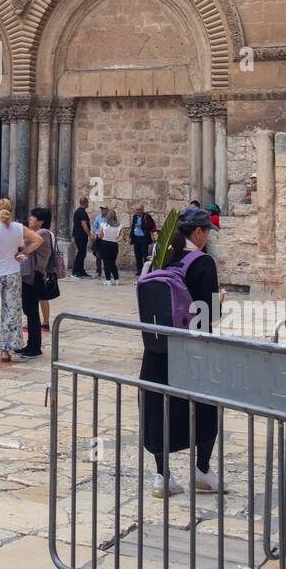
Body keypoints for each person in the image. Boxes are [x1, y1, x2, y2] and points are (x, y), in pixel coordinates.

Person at [137, 206, 221, 498]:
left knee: (158, 407)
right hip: (192, 348)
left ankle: (162, 476)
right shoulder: (203, 263)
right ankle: (202, 470)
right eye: (207, 231)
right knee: (206, 406)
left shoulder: (158, 257)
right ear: (198, 232)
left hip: (158, 347)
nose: (207, 237)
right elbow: (208, 313)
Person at [0, 198, 42, 363]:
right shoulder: (19, 228)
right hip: (12, 272)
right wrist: (24, 252)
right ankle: (6, 351)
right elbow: (38, 240)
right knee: (11, 312)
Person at [20, 206, 55, 359]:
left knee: (31, 311)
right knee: (30, 310)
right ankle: (31, 344)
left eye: (33, 218)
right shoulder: (40, 233)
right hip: (31, 277)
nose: (30, 220)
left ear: (41, 221)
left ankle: (34, 347)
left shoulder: (42, 234)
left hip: (34, 277)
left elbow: (23, 244)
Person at [129, 205, 157, 276]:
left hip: (144, 239)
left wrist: (141, 226)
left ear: (142, 210)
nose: (137, 211)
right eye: (136, 209)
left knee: (145, 255)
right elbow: (133, 227)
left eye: (138, 209)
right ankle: (139, 270)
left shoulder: (147, 216)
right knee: (137, 255)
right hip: (136, 238)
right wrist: (131, 237)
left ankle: (146, 271)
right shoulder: (135, 217)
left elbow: (151, 226)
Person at [97, 209, 123, 285]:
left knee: (106, 262)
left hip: (104, 244)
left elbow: (100, 235)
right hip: (114, 245)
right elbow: (119, 236)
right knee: (112, 262)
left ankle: (108, 280)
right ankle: (116, 279)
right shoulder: (120, 225)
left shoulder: (103, 225)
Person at [71, 195, 92, 277]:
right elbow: (84, 225)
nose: (88, 204)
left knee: (82, 253)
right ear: (85, 203)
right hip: (81, 236)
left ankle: (81, 270)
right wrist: (90, 234)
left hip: (78, 236)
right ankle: (76, 271)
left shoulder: (78, 211)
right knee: (81, 253)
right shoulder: (82, 212)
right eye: (87, 202)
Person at [90, 204, 107, 278]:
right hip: (98, 239)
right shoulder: (98, 218)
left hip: (106, 239)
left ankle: (107, 271)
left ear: (107, 210)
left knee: (105, 256)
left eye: (104, 209)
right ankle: (98, 271)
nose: (102, 210)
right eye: (101, 209)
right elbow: (94, 228)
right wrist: (93, 236)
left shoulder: (109, 219)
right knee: (97, 255)